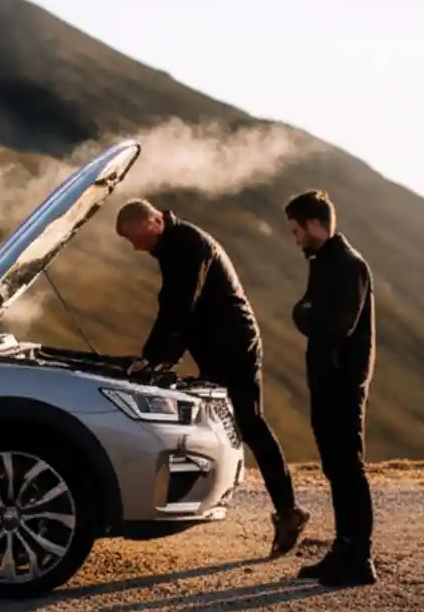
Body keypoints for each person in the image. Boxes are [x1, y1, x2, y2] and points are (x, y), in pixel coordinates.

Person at [116, 198, 310, 558]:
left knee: (250, 423)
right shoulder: (173, 245)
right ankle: (256, 505)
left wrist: (152, 358)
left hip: (234, 346)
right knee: (227, 424)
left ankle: (289, 511)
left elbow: (179, 308)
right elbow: (181, 314)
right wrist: (158, 359)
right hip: (217, 344)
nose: (136, 247)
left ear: (154, 221)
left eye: (135, 238)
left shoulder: (187, 245)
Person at [283, 189, 378, 587]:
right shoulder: (324, 262)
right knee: (336, 470)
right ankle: (344, 549)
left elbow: (333, 324)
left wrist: (304, 314)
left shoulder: (347, 265)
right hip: (327, 383)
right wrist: (307, 312)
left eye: (297, 230)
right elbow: (309, 311)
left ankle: (359, 558)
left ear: (317, 225)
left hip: (342, 385)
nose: (296, 238)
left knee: (347, 469)